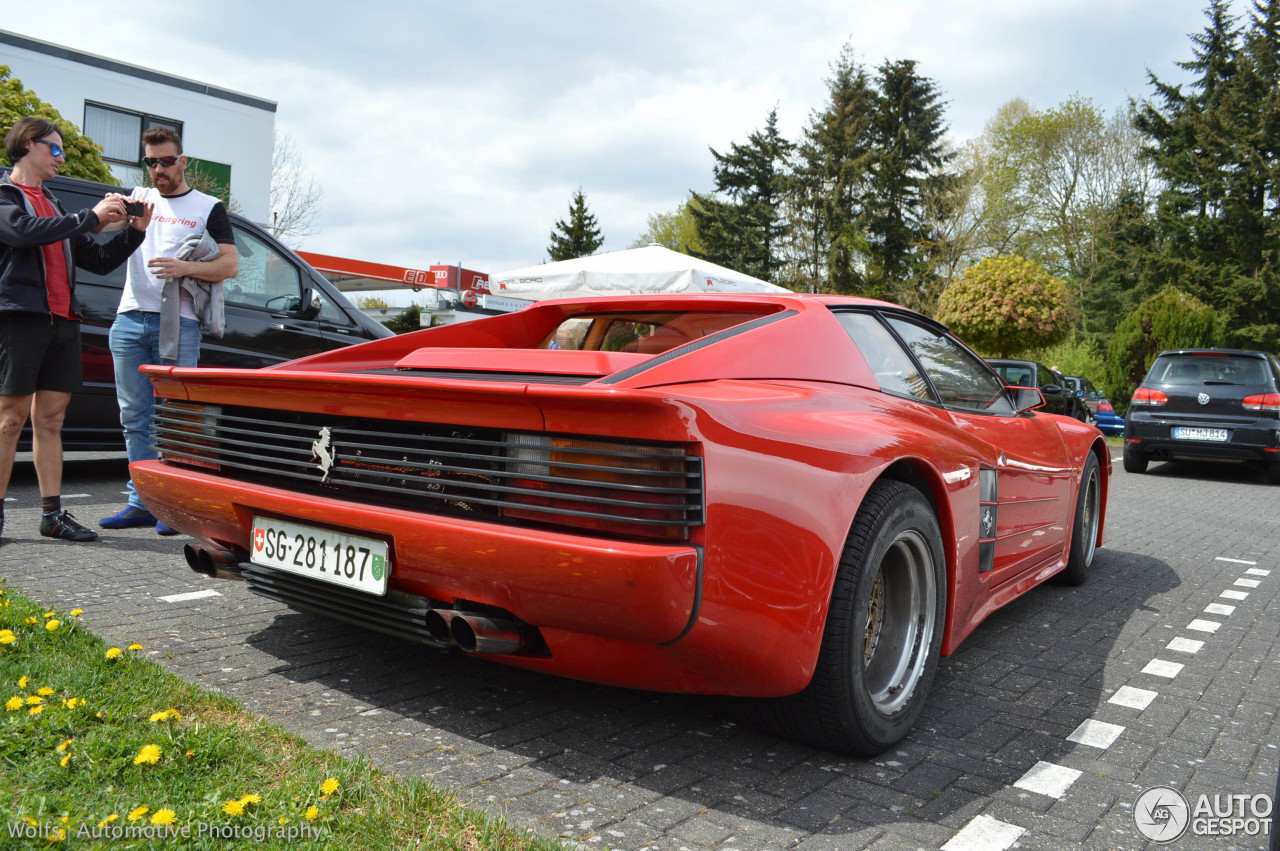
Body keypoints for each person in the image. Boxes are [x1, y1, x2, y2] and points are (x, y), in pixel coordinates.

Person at [0, 117, 149, 542]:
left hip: (64, 322)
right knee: (9, 420)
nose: (60, 158)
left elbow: (97, 261)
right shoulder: (5, 196)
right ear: (29, 145)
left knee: (51, 419)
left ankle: (52, 515)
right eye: (56, 149)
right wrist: (91, 216)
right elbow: (22, 232)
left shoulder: (56, 205)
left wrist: (133, 233)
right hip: (20, 319)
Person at [99, 126, 238, 535]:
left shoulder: (208, 206)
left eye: (165, 160)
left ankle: (173, 506)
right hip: (129, 319)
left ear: (183, 161)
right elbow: (94, 233)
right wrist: (101, 211)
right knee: (134, 417)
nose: (158, 169)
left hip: (180, 324)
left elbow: (229, 265)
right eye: (150, 161)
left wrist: (185, 268)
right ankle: (140, 501)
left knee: (177, 416)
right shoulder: (138, 198)